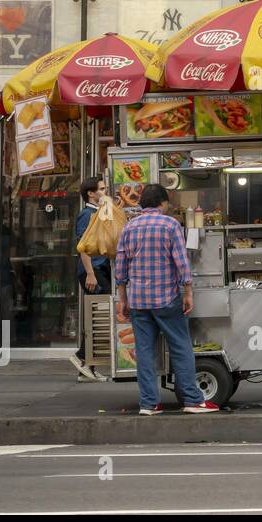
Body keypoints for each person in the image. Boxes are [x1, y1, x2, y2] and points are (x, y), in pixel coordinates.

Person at [114, 184, 219, 416]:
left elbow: (120, 269)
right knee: (181, 348)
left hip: (138, 301)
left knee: (144, 352)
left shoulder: (129, 227)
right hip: (166, 299)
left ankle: (148, 404)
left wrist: (123, 299)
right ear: (162, 203)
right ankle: (192, 400)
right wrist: (188, 292)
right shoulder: (170, 225)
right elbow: (181, 262)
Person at [69, 176, 109, 382]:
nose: (104, 191)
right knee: (101, 317)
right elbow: (83, 246)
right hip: (92, 271)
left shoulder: (97, 213)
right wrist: (91, 274)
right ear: (91, 194)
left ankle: (88, 368)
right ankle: (81, 356)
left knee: (100, 318)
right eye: (101, 189)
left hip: (98, 269)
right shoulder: (87, 214)